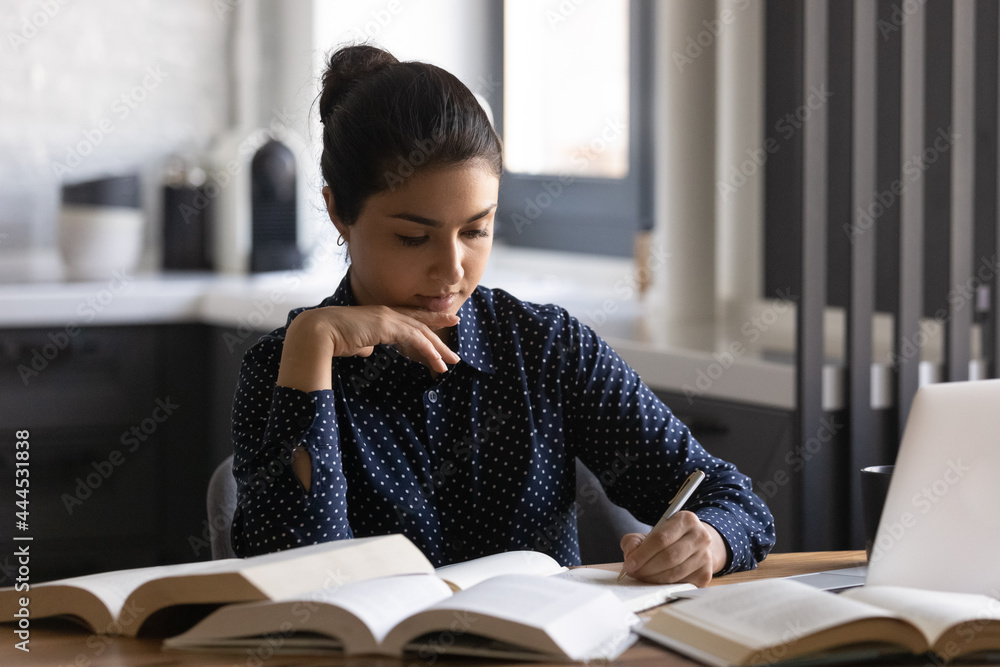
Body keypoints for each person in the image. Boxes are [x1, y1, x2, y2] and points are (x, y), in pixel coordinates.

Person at [230, 44, 774, 586]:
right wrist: (310, 344)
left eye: (475, 230)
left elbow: (733, 499)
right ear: (338, 213)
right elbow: (289, 591)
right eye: (413, 238)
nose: (451, 269)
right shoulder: (280, 369)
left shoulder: (546, 347)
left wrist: (711, 539)